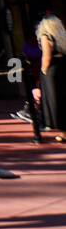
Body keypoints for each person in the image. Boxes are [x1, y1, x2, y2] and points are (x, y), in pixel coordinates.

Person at [36, 14, 66, 142]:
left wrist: (43, 70)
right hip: (63, 66)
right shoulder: (62, 36)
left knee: (56, 101)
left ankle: (63, 131)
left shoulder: (46, 36)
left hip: (53, 71)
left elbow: (46, 57)